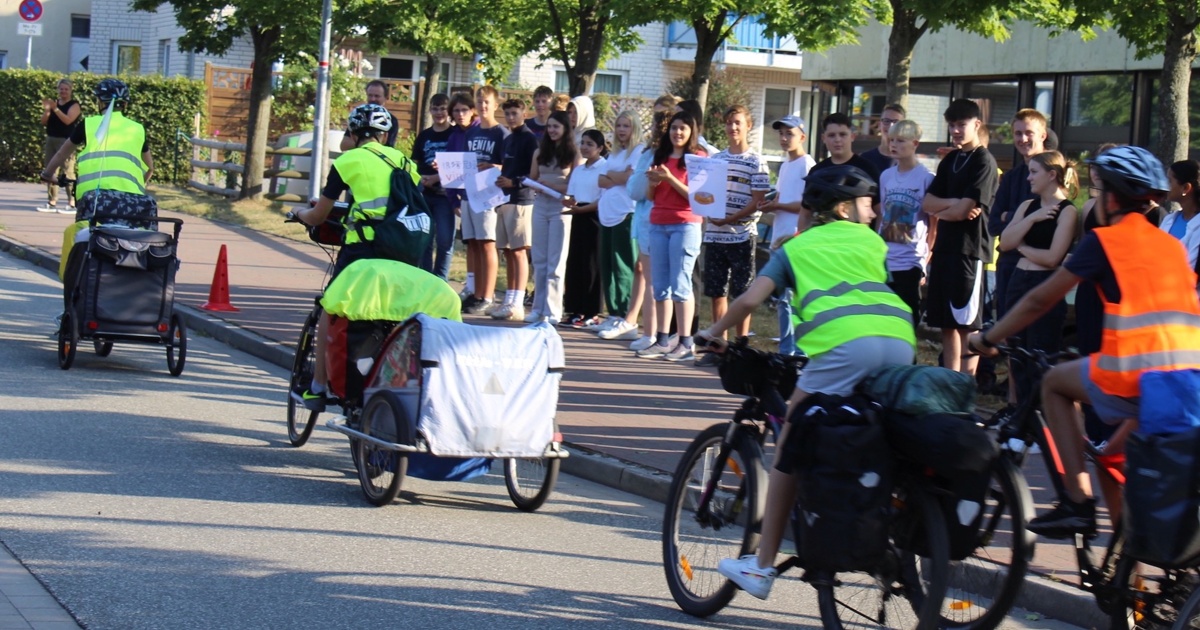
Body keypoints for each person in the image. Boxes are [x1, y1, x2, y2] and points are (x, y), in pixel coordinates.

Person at [969, 145, 1200, 538]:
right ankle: (1127, 568)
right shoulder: (1171, 245)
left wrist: (989, 337)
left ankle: (1076, 503)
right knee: (1110, 459)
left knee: (1053, 383)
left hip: (1134, 374)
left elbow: (1040, 299)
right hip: (1184, 379)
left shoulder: (1106, 241)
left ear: (1111, 198)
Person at [711, 165, 916, 600]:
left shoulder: (797, 247)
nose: (873, 212)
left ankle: (762, 566)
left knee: (790, 443)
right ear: (843, 209)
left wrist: (712, 333)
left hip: (845, 348)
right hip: (900, 341)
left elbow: (749, 299)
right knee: (878, 431)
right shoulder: (873, 241)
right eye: (867, 204)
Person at [291, 103, 419, 411]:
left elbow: (318, 216)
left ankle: (318, 388)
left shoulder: (348, 160)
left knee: (330, 308)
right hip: (405, 248)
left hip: (363, 250)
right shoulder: (405, 162)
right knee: (395, 313)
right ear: (385, 135)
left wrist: (299, 213)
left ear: (353, 132)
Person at [922, 98, 999, 375]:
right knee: (947, 323)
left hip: (969, 251)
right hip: (944, 249)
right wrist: (952, 205)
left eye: (961, 125)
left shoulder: (983, 161)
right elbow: (927, 202)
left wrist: (946, 209)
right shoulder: (951, 160)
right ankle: (949, 379)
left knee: (966, 323)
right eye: (952, 125)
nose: (955, 130)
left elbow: (966, 210)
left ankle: (966, 383)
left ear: (976, 124)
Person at [997, 151, 1079, 405]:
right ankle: (1018, 412)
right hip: (1018, 280)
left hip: (1044, 284)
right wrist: (1032, 218)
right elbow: (1005, 242)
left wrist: (1022, 247)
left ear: (1052, 175)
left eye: (1034, 172)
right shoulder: (1027, 206)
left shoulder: (1067, 211)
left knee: (1040, 353)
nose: (1028, 178)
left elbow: (1053, 257)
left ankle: (1040, 415)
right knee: (1016, 349)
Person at [985, 108, 1049, 421]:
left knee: (1037, 340)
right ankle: (1014, 404)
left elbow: (1051, 223)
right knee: (1012, 335)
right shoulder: (1011, 178)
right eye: (1018, 133)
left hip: (1039, 268)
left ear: (1043, 135)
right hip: (1010, 265)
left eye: (1029, 133)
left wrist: (1014, 219)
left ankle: (1037, 410)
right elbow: (994, 223)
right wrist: (1020, 220)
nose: (1023, 139)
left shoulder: (1054, 172)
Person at [697, 105, 770, 367]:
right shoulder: (715, 160)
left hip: (741, 235)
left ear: (748, 126)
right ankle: (718, 345)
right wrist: (707, 211)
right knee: (717, 292)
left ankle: (740, 348)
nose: (733, 127)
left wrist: (730, 219)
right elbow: (705, 193)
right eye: (729, 123)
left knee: (742, 292)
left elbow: (758, 201)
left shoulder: (757, 161)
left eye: (738, 122)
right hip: (715, 235)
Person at [637, 111, 707, 361]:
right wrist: (653, 182)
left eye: (683, 128)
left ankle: (686, 343)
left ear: (691, 131)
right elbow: (650, 196)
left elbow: (698, 196)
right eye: (674, 128)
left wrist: (670, 178)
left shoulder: (698, 157)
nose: (677, 133)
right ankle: (662, 340)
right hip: (658, 223)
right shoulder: (661, 156)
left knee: (681, 283)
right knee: (660, 285)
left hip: (685, 224)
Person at [42, 78, 153, 216]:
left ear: (100, 102)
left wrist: (47, 174)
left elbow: (61, 154)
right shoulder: (137, 129)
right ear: (125, 104)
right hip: (130, 200)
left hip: (92, 200)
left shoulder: (87, 124)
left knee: (81, 229)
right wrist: (138, 185)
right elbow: (149, 168)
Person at [625, 95, 680, 351]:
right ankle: (652, 334)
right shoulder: (651, 153)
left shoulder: (659, 155)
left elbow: (635, 189)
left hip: (656, 221)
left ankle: (654, 335)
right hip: (648, 221)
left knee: (656, 281)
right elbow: (634, 189)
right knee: (652, 279)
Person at [758, 115, 815, 356]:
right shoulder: (785, 165)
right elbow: (782, 198)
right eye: (781, 133)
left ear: (802, 137)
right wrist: (770, 203)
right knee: (783, 299)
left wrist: (778, 205)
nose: (784, 138)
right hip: (779, 238)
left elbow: (806, 204)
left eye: (789, 134)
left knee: (794, 299)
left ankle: (798, 353)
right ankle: (786, 351)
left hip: (796, 239)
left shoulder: (807, 165)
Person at [877, 119, 935, 328]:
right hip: (886, 258)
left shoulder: (926, 178)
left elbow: (933, 224)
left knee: (907, 319)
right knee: (883, 318)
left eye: (901, 140)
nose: (894, 145)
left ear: (915, 143)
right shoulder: (886, 176)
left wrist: (926, 259)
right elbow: (883, 215)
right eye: (891, 139)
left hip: (911, 260)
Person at [594, 110, 645, 341]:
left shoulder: (638, 150)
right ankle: (613, 312)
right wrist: (617, 176)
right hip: (607, 213)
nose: (622, 130)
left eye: (626, 126)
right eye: (619, 125)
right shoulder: (614, 152)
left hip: (625, 214)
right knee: (607, 264)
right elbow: (600, 179)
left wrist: (614, 176)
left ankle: (626, 314)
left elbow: (629, 178)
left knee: (623, 264)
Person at [460, 85, 509, 315]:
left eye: (487, 102)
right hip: (470, 193)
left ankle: (488, 295)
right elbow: (465, 162)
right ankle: (477, 293)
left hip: (489, 196)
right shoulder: (471, 133)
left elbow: (509, 165)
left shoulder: (501, 134)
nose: (482, 106)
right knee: (475, 243)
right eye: (479, 102)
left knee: (488, 243)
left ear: (495, 105)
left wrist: (494, 166)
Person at [526, 111, 577, 325]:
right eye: (549, 126)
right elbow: (533, 177)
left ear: (565, 128)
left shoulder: (573, 153)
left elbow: (575, 186)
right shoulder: (539, 152)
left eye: (556, 126)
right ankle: (537, 308)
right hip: (540, 205)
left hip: (560, 208)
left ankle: (553, 310)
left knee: (555, 261)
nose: (552, 130)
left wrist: (552, 186)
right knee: (539, 259)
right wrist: (536, 185)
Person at [491, 98, 539, 321]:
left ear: (524, 114)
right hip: (504, 199)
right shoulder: (508, 139)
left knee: (519, 251)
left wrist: (515, 182)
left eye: (514, 113)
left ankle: (518, 302)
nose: (511, 118)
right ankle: (509, 298)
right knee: (508, 251)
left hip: (522, 199)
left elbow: (533, 173)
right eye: (507, 114)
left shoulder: (530, 139)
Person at [560, 129, 609, 328]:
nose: (585, 147)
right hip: (578, 216)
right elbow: (572, 195)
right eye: (583, 143)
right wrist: (569, 202)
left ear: (600, 147)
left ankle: (591, 312)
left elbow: (603, 198)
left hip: (595, 218)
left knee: (592, 265)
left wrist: (583, 209)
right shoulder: (579, 169)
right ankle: (574, 310)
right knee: (575, 263)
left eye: (590, 144)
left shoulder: (604, 167)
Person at [411, 93, 456, 280]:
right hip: (425, 193)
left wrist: (437, 178)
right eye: (435, 109)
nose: (439, 113)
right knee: (425, 239)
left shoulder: (455, 134)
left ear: (449, 111)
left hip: (445, 194)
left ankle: (440, 280)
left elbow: (459, 166)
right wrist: (420, 179)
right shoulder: (424, 135)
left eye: (443, 109)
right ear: (430, 110)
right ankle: (426, 279)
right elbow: (415, 163)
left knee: (445, 240)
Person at [811, 113, 881, 219]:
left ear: (852, 136)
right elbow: (806, 213)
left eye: (843, 134)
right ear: (823, 138)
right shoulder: (817, 172)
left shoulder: (868, 169)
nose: (837, 140)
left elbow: (879, 212)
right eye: (831, 135)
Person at [445, 93, 478, 300]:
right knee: (469, 243)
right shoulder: (454, 136)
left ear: (472, 111)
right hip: (463, 197)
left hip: (482, 196)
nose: (460, 114)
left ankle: (482, 290)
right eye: (456, 111)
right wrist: (453, 200)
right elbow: (450, 170)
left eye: (464, 110)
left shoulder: (480, 131)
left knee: (483, 244)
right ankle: (471, 285)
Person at [39, 78, 81, 214]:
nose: (63, 91)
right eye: (61, 89)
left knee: (67, 170)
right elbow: (44, 122)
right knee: (50, 170)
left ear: (70, 90)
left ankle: (72, 202)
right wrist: (47, 110)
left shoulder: (74, 105)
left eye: (66, 89)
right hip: (51, 138)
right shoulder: (54, 104)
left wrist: (55, 109)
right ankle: (52, 201)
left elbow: (68, 121)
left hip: (66, 141)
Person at [340, 80, 400, 151]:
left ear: (386, 98)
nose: (373, 99)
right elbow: (344, 145)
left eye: (377, 96)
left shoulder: (391, 120)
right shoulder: (358, 116)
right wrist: (368, 141)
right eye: (370, 95)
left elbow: (388, 148)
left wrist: (361, 139)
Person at [1162, 159, 1200, 269]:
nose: (1165, 185)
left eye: (1170, 181)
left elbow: (1190, 268)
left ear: (1186, 188)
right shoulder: (1168, 219)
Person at [859, 103, 905, 175]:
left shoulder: (907, 162)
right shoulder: (865, 159)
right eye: (886, 121)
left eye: (896, 122)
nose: (891, 126)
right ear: (879, 125)